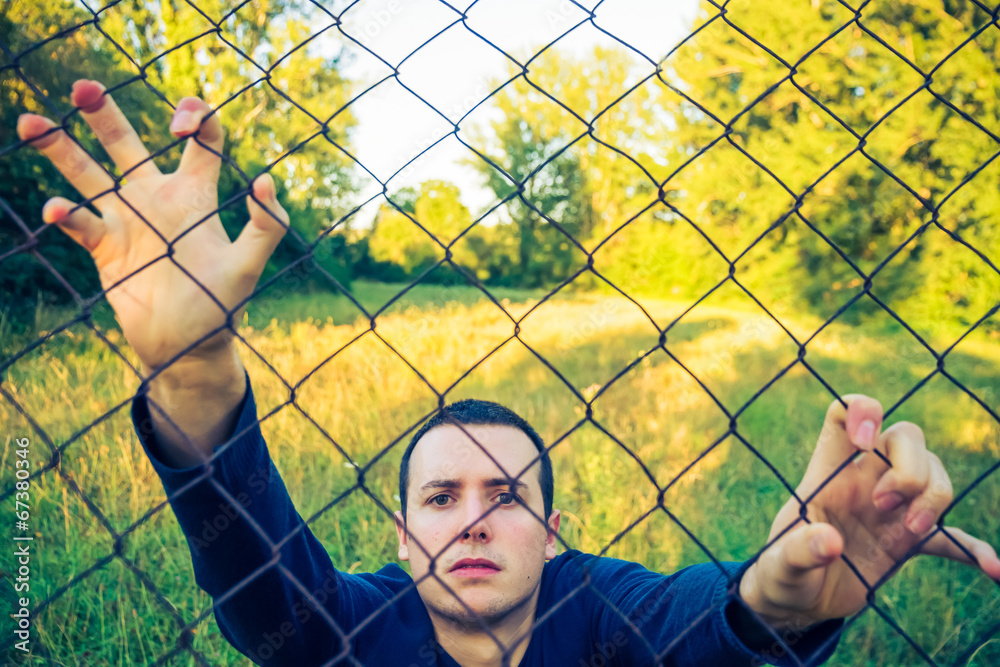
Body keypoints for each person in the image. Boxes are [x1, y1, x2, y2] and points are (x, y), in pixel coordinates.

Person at [16, 79, 1000, 667]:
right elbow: (261, 589)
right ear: (401, 536)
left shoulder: (602, 612)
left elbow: (699, 624)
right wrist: (195, 366)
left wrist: (779, 604)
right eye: (441, 495)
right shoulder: (355, 630)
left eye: (506, 495)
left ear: (556, 533)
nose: (476, 517)